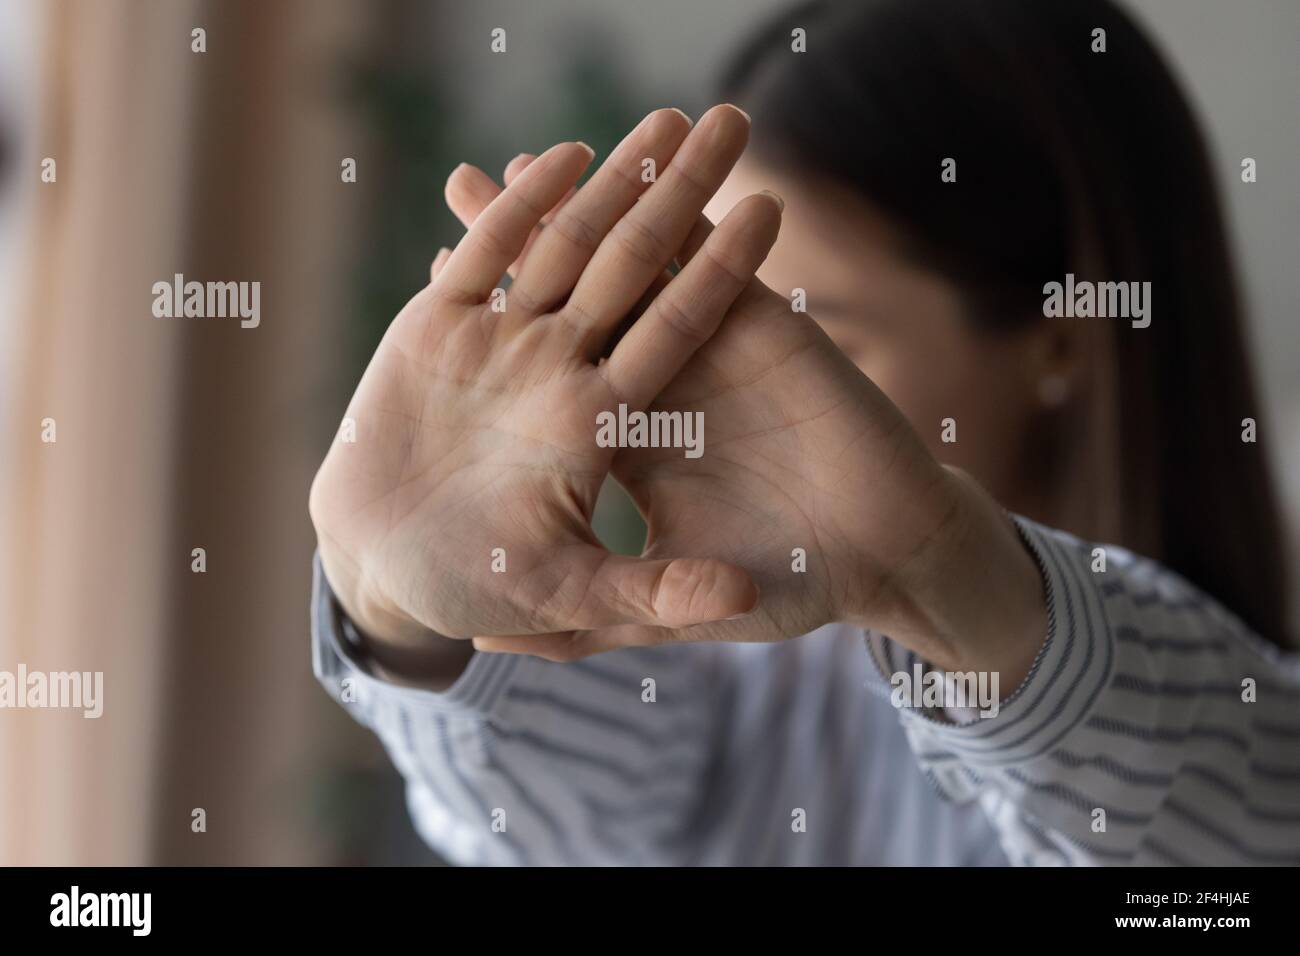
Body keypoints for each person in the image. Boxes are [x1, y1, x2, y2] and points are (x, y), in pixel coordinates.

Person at [307, 0, 1300, 865]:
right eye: (695, 327)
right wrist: (397, 617)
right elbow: (571, 817)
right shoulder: (739, 670)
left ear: (1060, 337)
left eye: (817, 334)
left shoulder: (1233, 713)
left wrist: (941, 572)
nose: (713, 404)